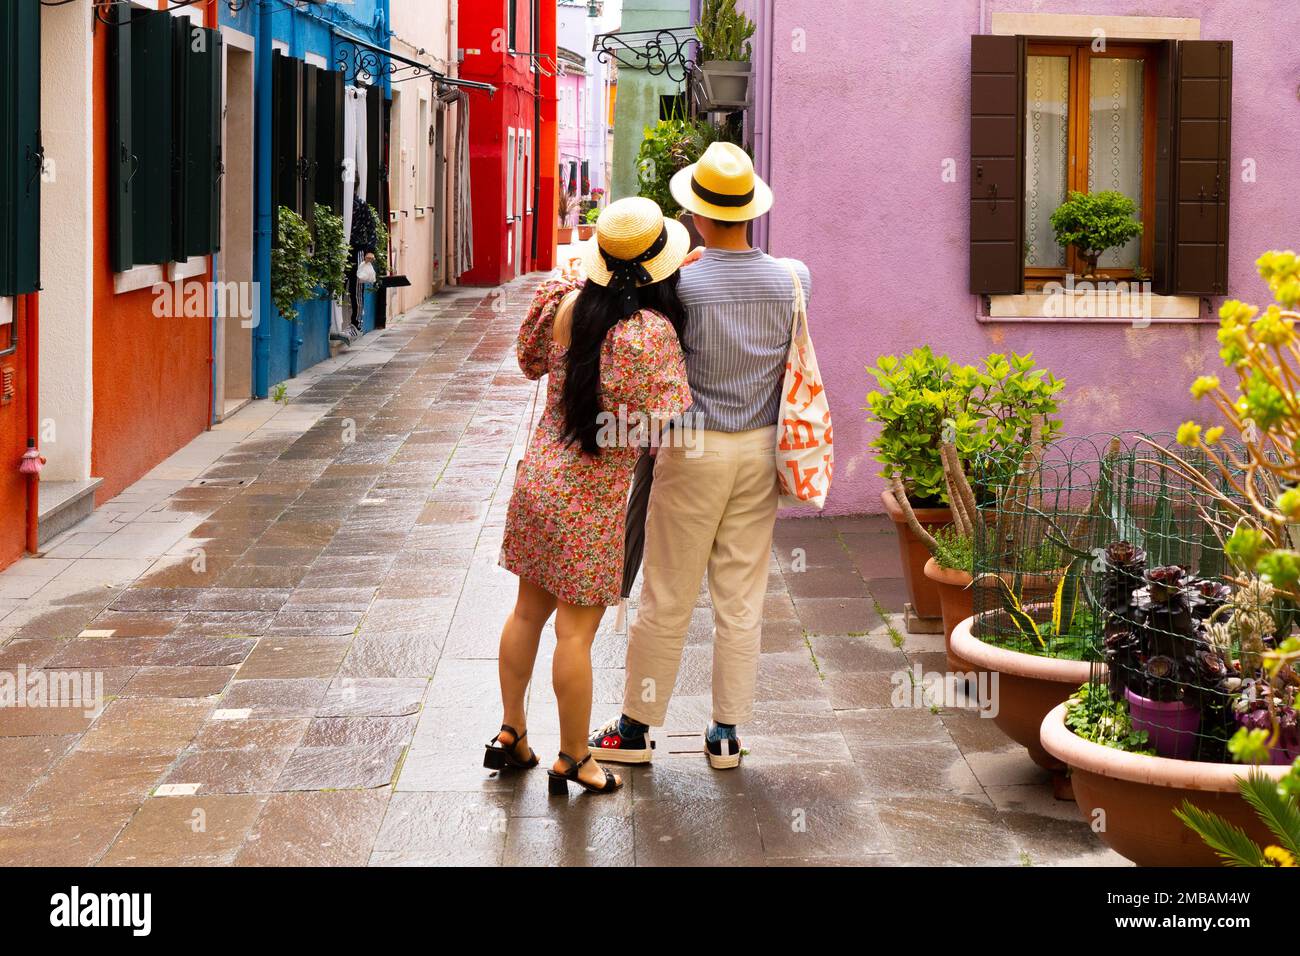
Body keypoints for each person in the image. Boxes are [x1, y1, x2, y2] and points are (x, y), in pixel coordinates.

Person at [588, 142, 812, 770]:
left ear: (695, 214)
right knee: (741, 597)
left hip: (691, 447)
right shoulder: (795, 277)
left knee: (667, 591)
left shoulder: (679, 284)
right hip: (762, 448)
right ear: (750, 211)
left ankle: (636, 731)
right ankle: (726, 734)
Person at [486, 197, 693, 796]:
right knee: (574, 636)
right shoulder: (648, 334)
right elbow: (668, 417)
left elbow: (528, 362)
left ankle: (510, 732)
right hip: (593, 499)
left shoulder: (565, 305)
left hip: (538, 481)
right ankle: (575, 757)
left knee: (526, 613)